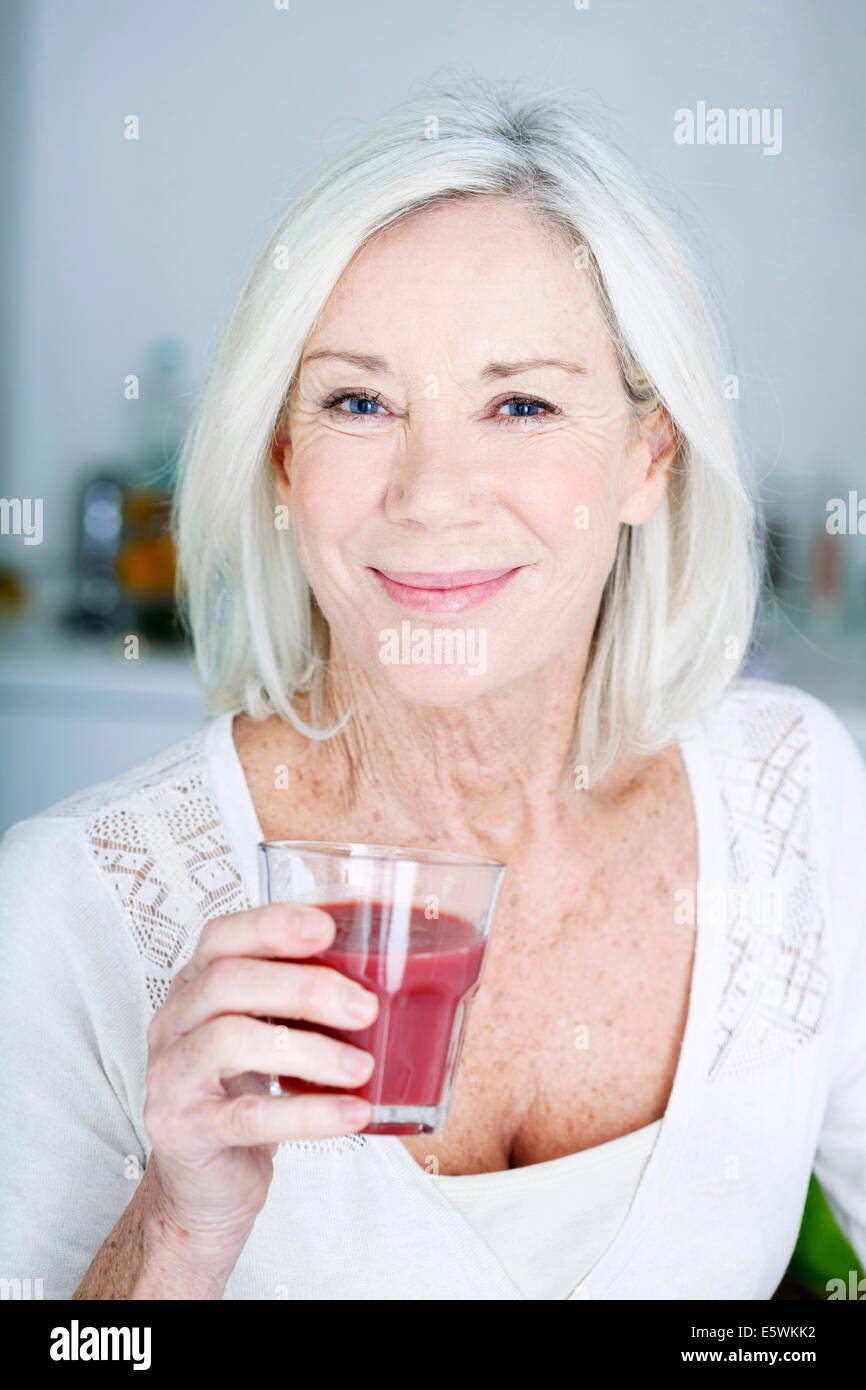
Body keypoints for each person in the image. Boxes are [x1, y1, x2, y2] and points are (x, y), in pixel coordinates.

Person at [1, 75, 863, 1301]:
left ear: (646, 458)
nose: (431, 492)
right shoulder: (74, 905)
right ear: (284, 459)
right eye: (360, 401)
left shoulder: (795, 801)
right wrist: (176, 1233)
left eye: (520, 403)